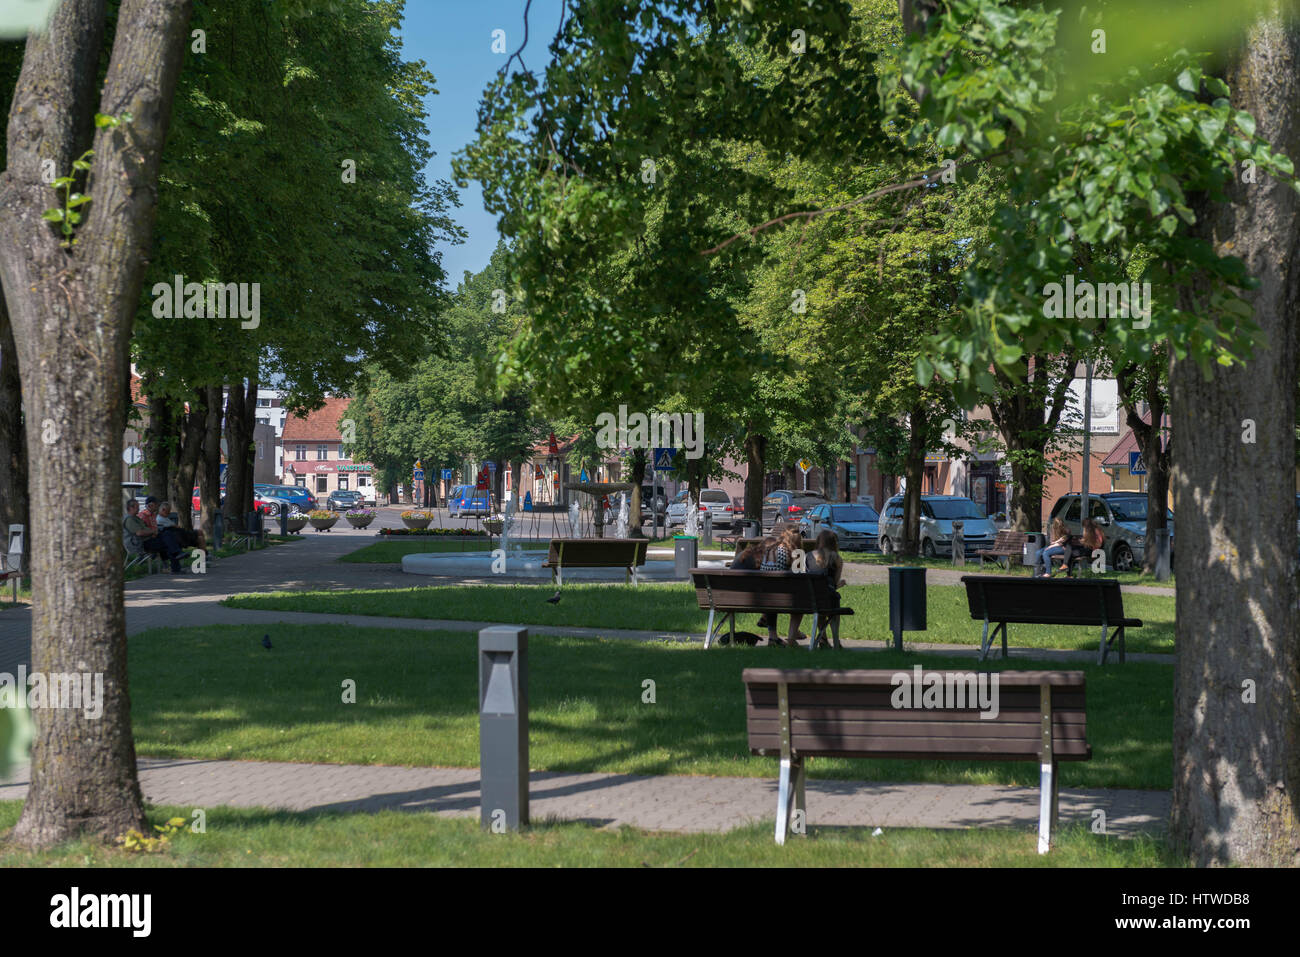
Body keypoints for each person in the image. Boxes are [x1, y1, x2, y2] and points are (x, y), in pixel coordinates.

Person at [790, 529, 845, 648]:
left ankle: (823, 639)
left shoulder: (807, 556)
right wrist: (841, 584)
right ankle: (835, 640)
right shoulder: (837, 558)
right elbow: (834, 584)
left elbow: (805, 577)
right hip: (828, 599)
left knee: (820, 602)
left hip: (811, 599)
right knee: (831, 601)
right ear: (833, 543)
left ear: (818, 541)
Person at [123, 499, 185, 573]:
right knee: (169, 540)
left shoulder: (135, 517)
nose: (139, 508)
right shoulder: (129, 519)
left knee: (169, 537)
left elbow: (144, 530)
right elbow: (139, 533)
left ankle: (175, 561)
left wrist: (154, 532)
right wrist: (153, 531)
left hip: (148, 540)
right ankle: (176, 560)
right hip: (141, 544)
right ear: (131, 508)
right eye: (137, 507)